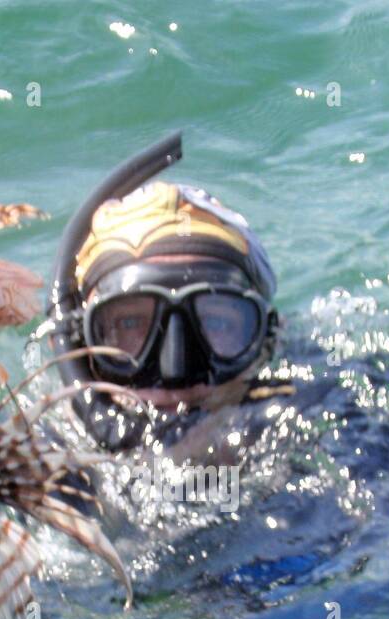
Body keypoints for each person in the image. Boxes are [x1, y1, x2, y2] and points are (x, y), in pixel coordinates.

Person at [45, 133, 281, 452]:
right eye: (129, 325)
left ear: (265, 342)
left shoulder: (339, 427)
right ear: (76, 351)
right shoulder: (34, 465)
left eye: (217, 323)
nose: (175, 374)